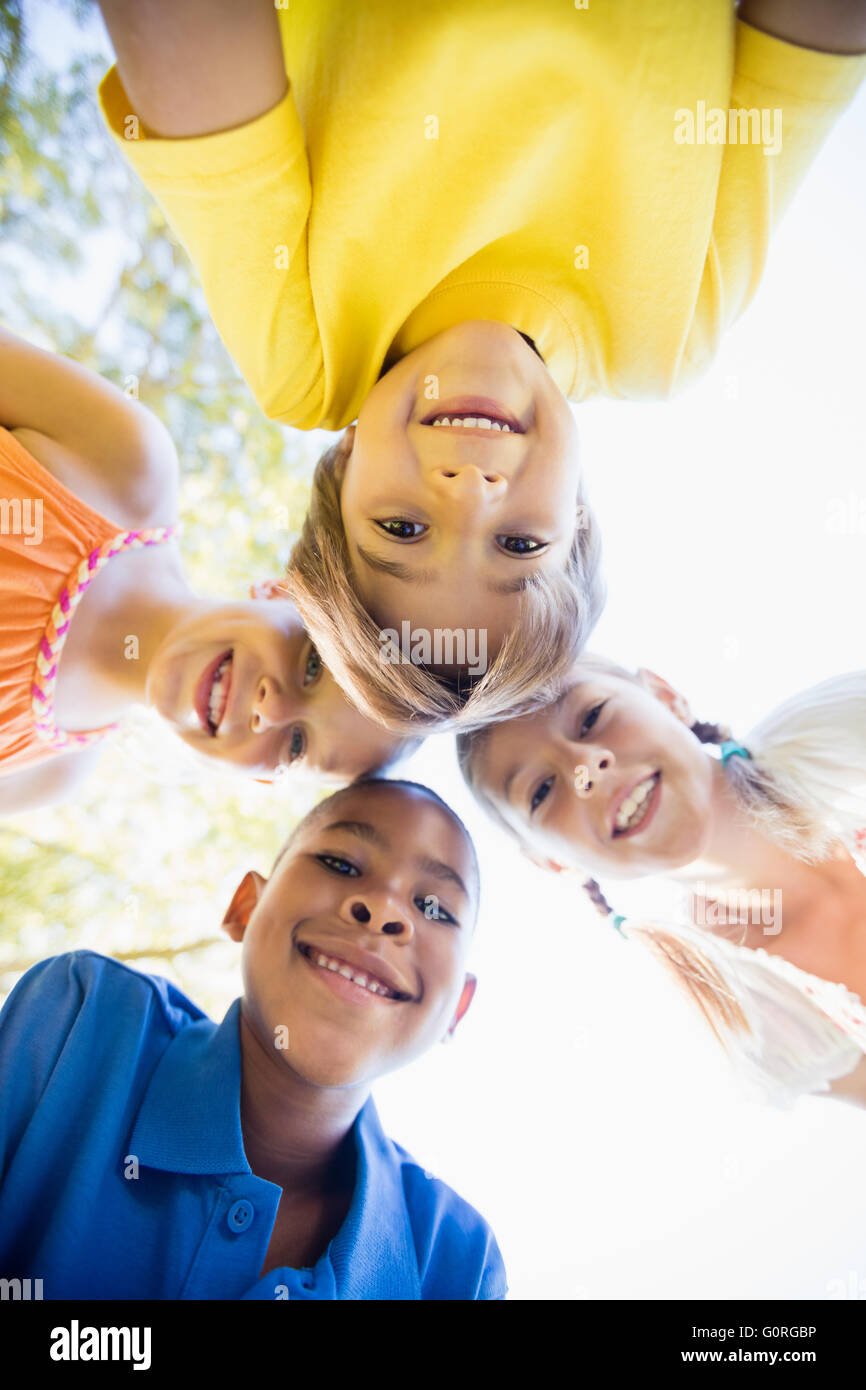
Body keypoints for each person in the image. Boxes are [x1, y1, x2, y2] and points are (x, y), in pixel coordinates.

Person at [95, 0, 865, 726]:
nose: (470, 490)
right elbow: (799, 60)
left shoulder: (308, 359)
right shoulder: (665, 342)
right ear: (577, 519)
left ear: (344, 465)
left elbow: (195, 70)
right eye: (521, 545)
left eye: (400, 527)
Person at [0, 778, 506, 1299]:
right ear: (246, 907)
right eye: (341, 864)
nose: (383, 909)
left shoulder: (457, 1265)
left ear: (458, 1009)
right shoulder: (83, 1023)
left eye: (436, 909)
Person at [0, 327, 416, 813]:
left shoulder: (41, 776)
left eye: (297, 746)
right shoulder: (125, 462)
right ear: (284, 592)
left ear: (259, 781)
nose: (271, 709)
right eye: (311, 664)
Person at [457, 657, 866, 1105]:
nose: (587, 769)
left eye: (592, 717)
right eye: (541, 791)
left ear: (666, 697)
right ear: (552, 863)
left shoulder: (844, 734)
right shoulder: (754, 1010)